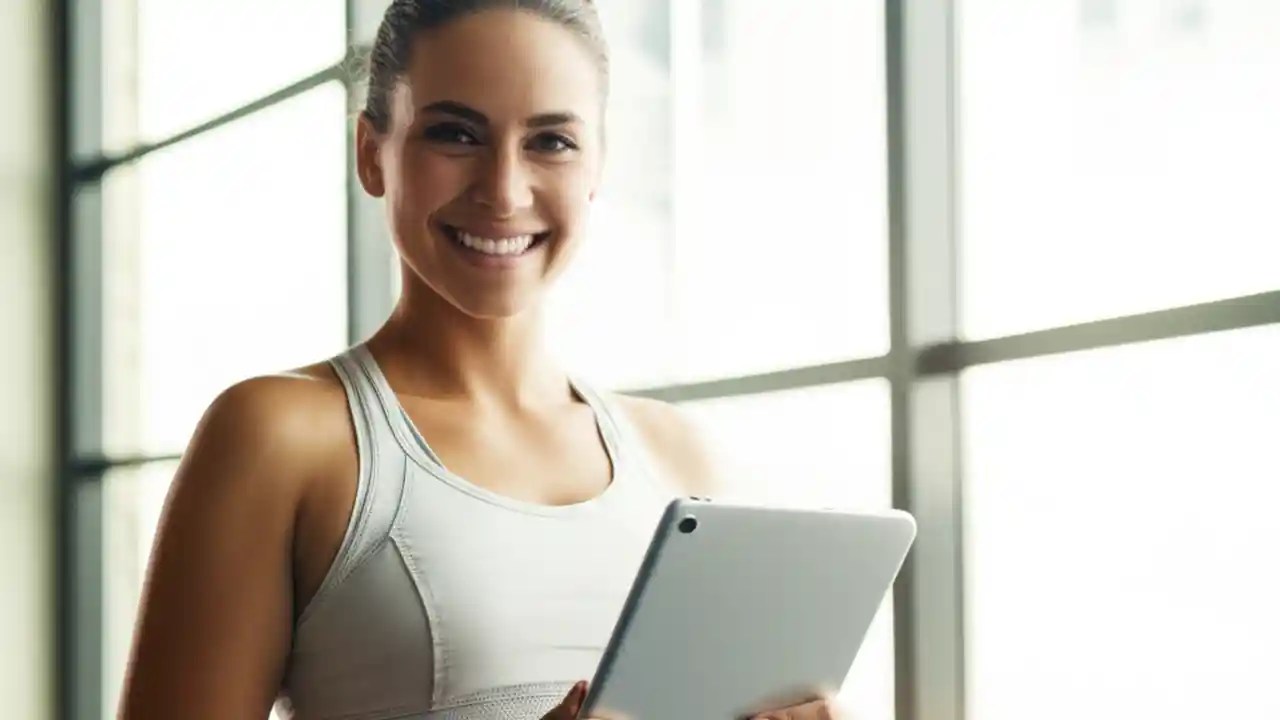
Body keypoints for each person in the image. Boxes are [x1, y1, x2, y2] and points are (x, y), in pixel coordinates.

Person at [118, 1, 846, 718]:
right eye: (455, 134)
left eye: (551, 142)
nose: (503, 190)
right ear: (372, 153)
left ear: (599, 162)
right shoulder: (283, 435)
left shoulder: (680, 459)